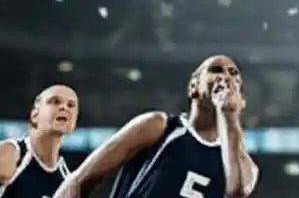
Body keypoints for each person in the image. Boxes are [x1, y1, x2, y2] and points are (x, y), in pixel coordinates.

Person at [53, 55, 257, 198]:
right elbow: (81, 179)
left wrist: (228, 115)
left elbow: (236, 192)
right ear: (193, 87)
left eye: (233, 73)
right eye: (216, 70)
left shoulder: (244, 165)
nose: (226, 77)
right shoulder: (158, 126)